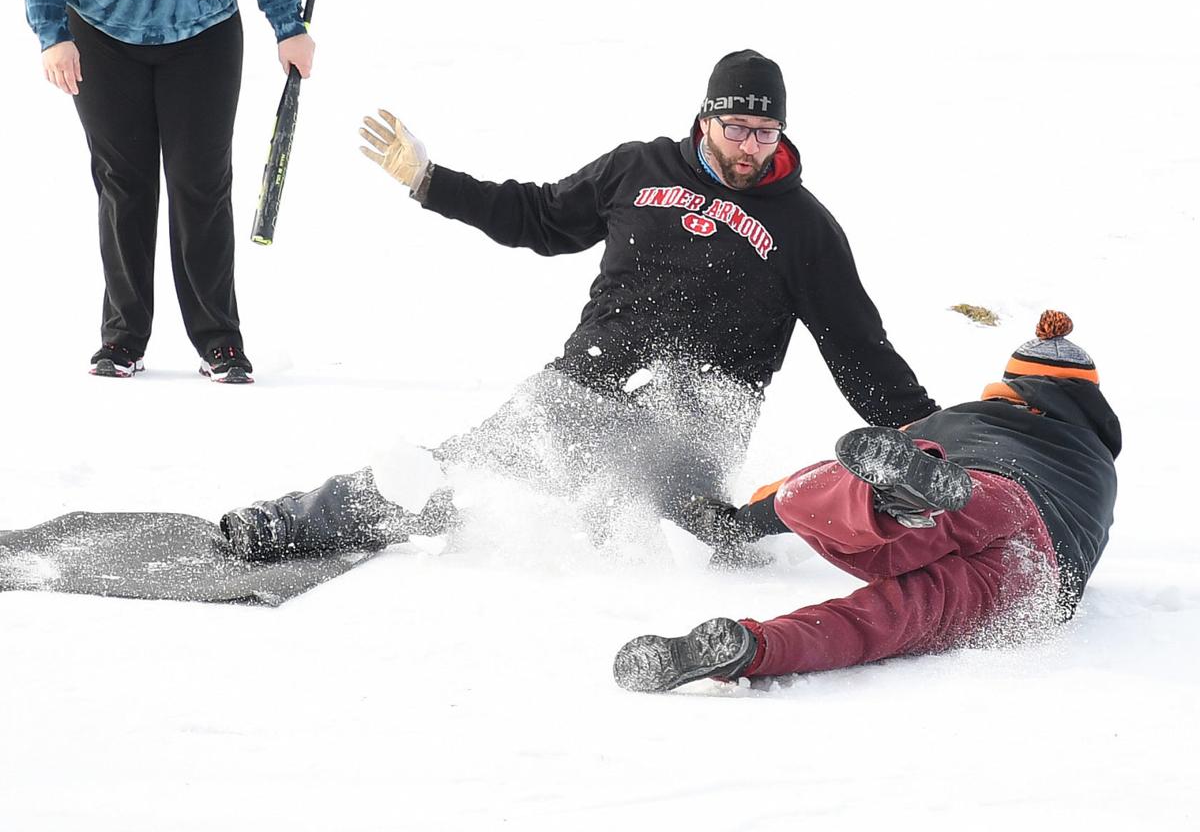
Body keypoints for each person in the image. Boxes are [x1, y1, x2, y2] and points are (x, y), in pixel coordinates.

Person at [213, 50, 938, 558]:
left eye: (766, 132)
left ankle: (690, 544)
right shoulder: (637, 167)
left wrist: (941, 442)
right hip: (579, 388)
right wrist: (431, 180)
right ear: (705, 120)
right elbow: (537, 216)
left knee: (631, 522)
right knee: (453, 471)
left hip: (695, 420)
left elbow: (861, 352)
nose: (750, 147)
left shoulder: (803, 226)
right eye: (738, 129)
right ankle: (290, 522)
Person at [611, 310, 1122, 692]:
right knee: (887, 621)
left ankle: (885, 504)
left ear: (1012, 383)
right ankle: (755, 649)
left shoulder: (964, 417)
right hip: (1035, 580)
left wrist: (745, 522)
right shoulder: (1099, 464)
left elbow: (823, 476)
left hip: (978, 492)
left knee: (826, 491)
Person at [18, 0, 317, 383]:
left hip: (205, 30)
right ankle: (123, 336)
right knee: (123, 186)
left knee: (201, 185)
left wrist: (289, 24)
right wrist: (51, 32)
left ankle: (219, 339)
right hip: (100, 31)